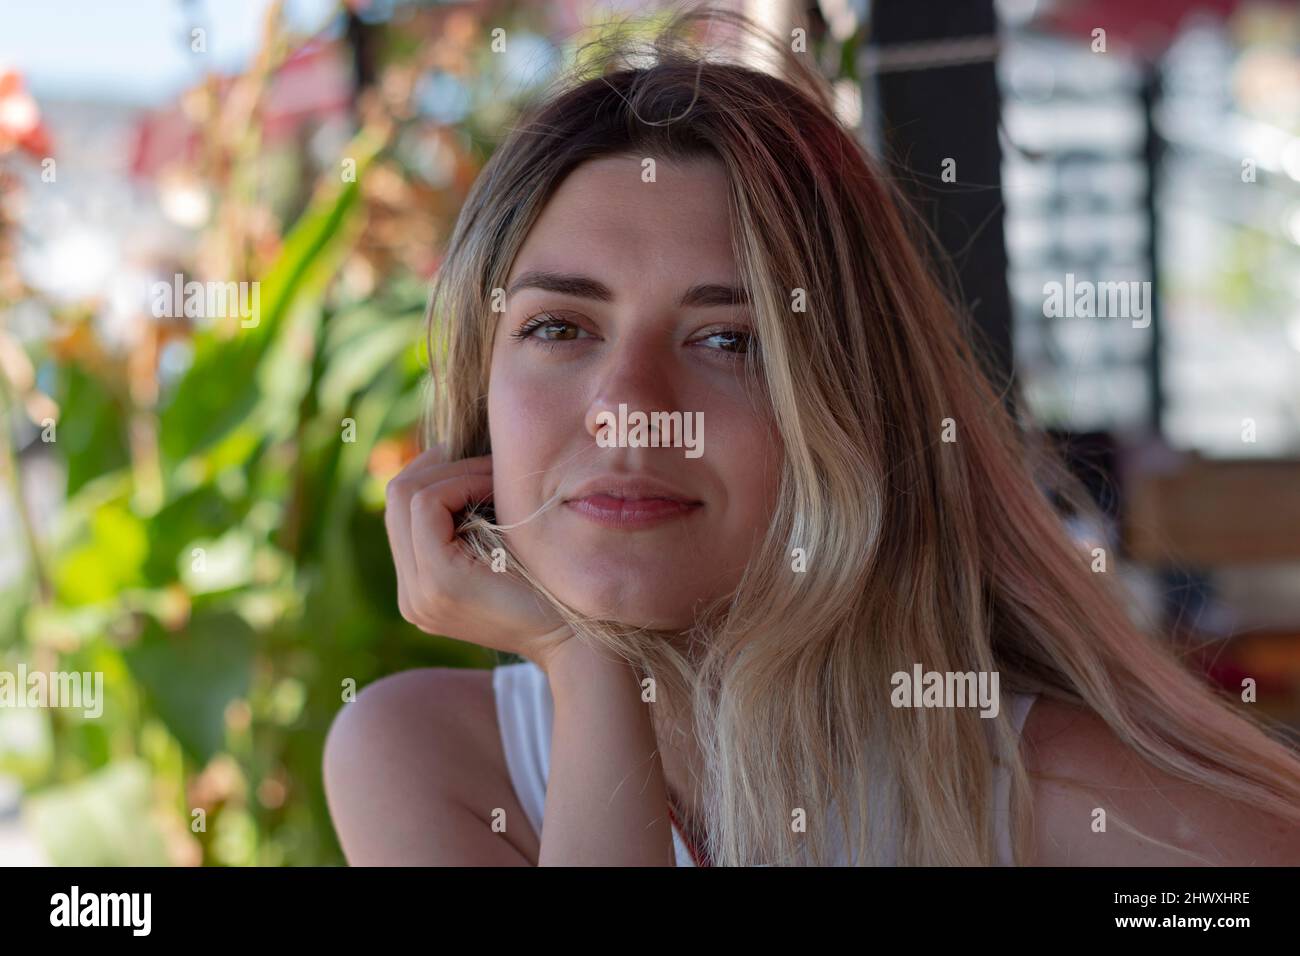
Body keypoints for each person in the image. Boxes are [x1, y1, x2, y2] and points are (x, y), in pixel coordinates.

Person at [323, 7, 1300, 866]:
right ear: (478, 379)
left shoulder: (1053, 796)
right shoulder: (424, 756)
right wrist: (582, 663)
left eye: (725, 338)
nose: (624, 404)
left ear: (853, 400)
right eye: (558, 328)